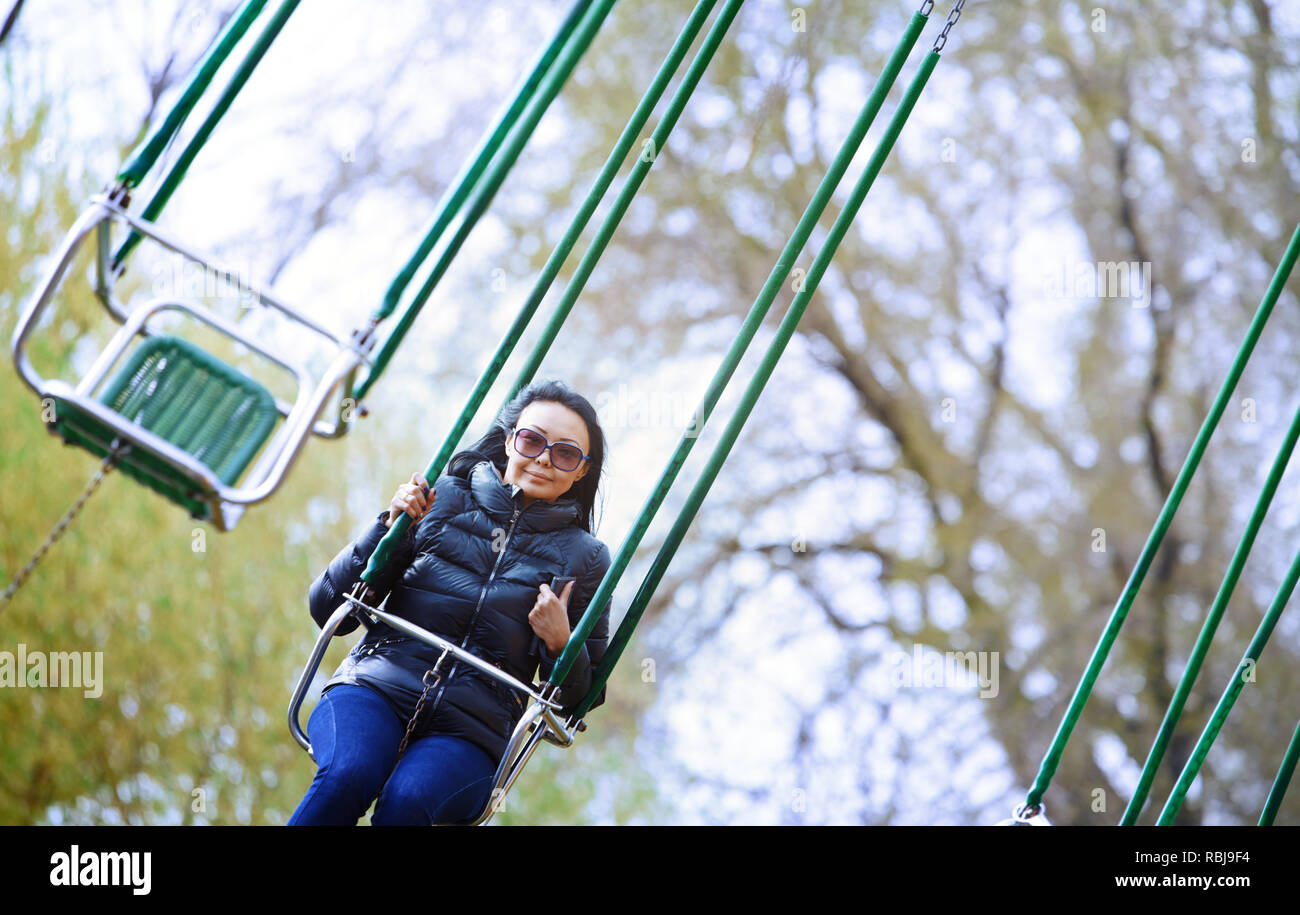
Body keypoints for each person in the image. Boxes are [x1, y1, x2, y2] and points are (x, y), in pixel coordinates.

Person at [287, 380, 613, 825]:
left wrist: (561, 644)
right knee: (350, 772)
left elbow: (578, 702)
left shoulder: (587, 559)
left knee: (408, 801)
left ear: (581, 471)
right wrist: (386, 528)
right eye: (532, 440)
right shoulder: (442, 499)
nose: (542, 458)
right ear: (508, 440)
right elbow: (328, 608)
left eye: (565, 453)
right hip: (377, 687)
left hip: (472, 732)